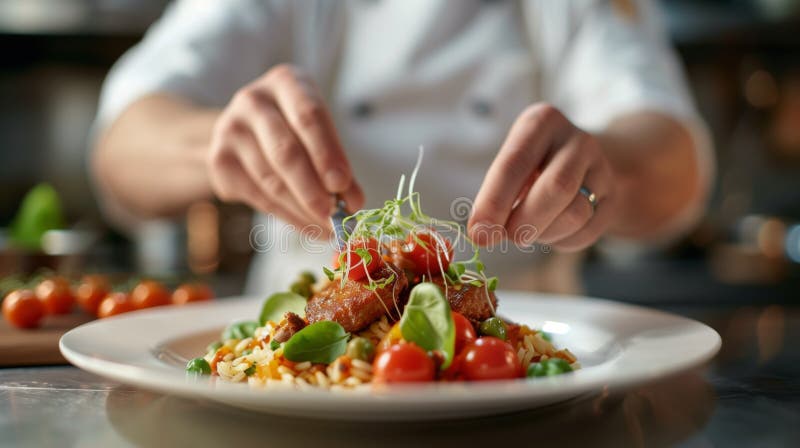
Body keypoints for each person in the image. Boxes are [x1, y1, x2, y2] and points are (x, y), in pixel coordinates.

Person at [91, 0, 713, 293]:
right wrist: (216, 149)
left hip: (521, 369)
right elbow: (121, 146)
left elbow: (678, 164)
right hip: (296, 385)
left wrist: (606, 170)